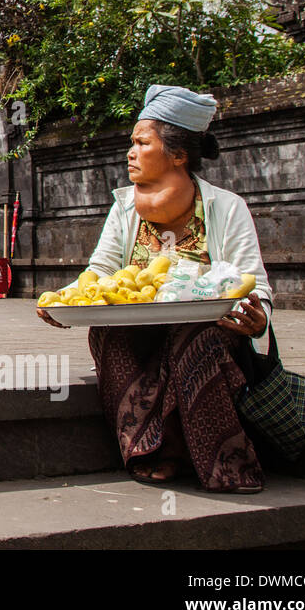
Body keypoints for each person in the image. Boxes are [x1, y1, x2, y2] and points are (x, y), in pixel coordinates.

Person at [38, 84, 273, 493]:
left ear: (178, 155)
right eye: (132, 143)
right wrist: (63, 300)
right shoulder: (125, 206)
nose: (129, 152)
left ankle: (225, 459)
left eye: (142, 143)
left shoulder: (226, 207)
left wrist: (257, 320)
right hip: (141, 329)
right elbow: (101, 270)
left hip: (209, 332)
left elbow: (254, 281)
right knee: (107, 334)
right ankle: (148, 448)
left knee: (192, 336)